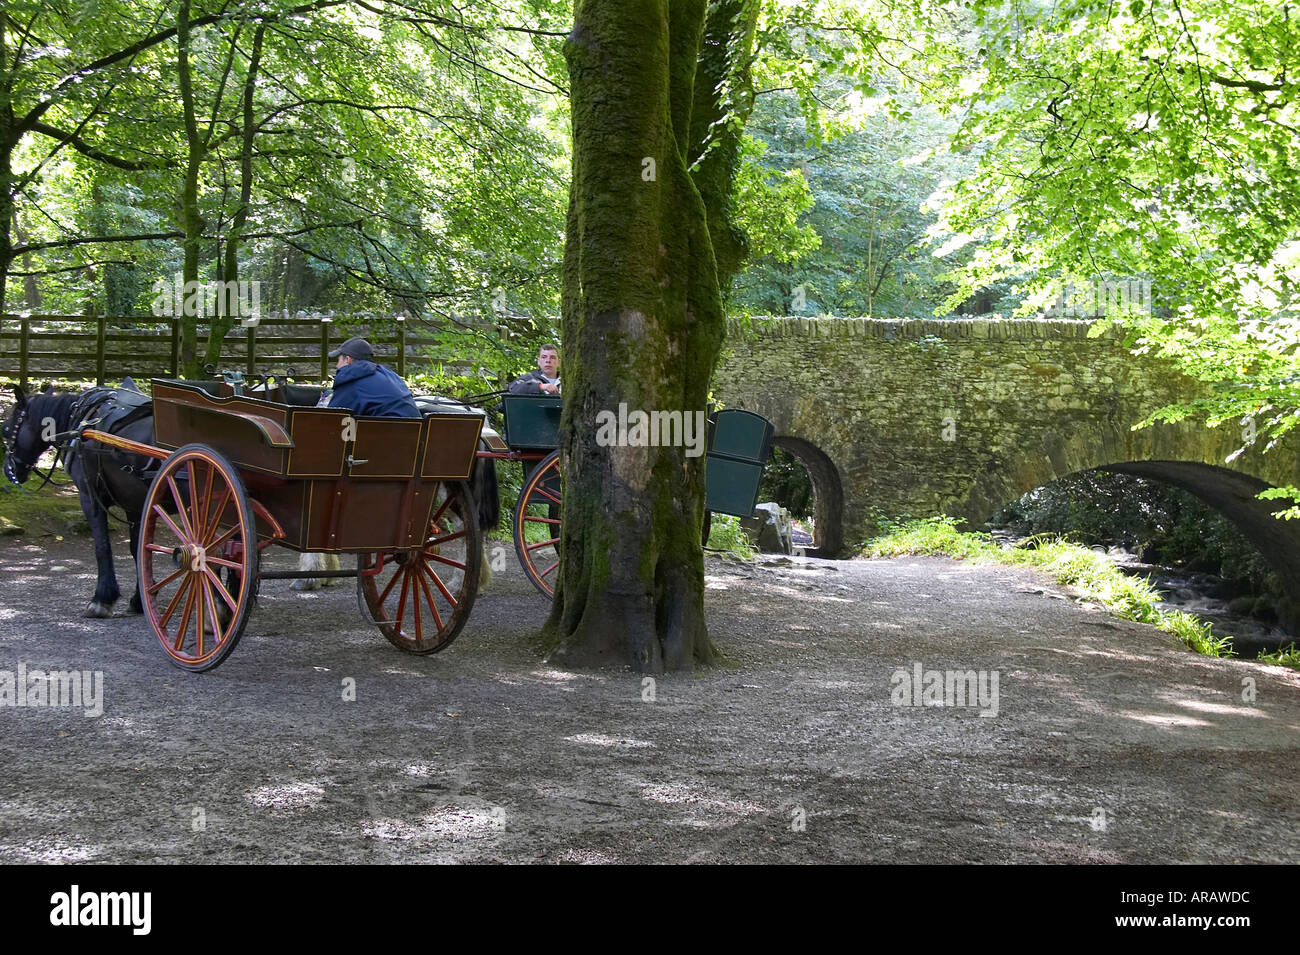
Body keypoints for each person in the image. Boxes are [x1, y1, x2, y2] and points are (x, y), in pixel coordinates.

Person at [327, 336, 419, 418]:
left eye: (338, 361)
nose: (337, 366)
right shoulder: (389, 374)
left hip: (385, 433)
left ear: (348, 360)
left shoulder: (351, 378)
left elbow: (332, 418)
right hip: (415, 431)